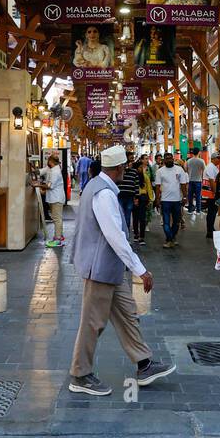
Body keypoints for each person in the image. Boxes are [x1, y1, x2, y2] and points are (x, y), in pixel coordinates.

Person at [67, 146, 176, 397]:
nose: (125, 171)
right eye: (124, 168)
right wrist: (140, 269)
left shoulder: (97, 187)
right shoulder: (103, 194)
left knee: (128, 315)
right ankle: (80, 374)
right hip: (100, 267)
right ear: (119, 169)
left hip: (110, 268)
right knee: (92, 322)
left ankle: (144, 364)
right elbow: (115, 236)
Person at [154, 152, 188, 249]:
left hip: (177, 200)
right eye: (167, 158)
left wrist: (185, 197)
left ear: (173, 159)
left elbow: (183, 185)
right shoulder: (160, 171)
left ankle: (171, 238)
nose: (169, 160)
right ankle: (170, 239)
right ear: (164, 160)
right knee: (166, 222)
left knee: (176, 221)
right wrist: (157, 199)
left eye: (170, 158)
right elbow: (157, 186)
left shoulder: (179, 169)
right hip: (165, 200)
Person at [41, 153, 66, 247]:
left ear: (51, 161)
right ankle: (60, 235)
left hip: (56, 198)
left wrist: (39, 186)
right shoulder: (54, 169)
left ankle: (57, 239)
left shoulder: (55, 172)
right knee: (58, 217)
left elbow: (49, 186)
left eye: (48, 160)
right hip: (55, 197)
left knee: (56, 218)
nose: (47, 162)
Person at [118, 149, 142, 233]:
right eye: (131, 158)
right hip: (120, 196)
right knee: (120, 216)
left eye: (133, 158)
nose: (133, 160)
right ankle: (120, 234)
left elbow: (136, 184)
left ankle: (126, 236)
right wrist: (126, 168)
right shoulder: (120, 169)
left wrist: (136, 197)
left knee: (127, 217)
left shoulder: (135, 171)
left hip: (130, 197)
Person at [132, 152, 153, 245]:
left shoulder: (145, 176)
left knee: (142, 217)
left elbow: (149, 187)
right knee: (136, 217)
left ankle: (141, 237)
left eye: (141, 168)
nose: (141, 169)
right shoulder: (133, 176)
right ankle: (136, 234)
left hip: (143, 198)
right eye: (139, 168)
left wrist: (150, 199)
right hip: (135, 197)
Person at [185, 147, 205, 217]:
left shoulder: (188, 161)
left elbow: (186, 169)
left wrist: (190, 173)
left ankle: (190, 210)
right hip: (198, 181)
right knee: (198, 196)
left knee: (190, 196)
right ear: (199, 152)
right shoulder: (201, 161)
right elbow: (203, 170)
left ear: (192, 152)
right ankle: (198, 211)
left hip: (190, 180)